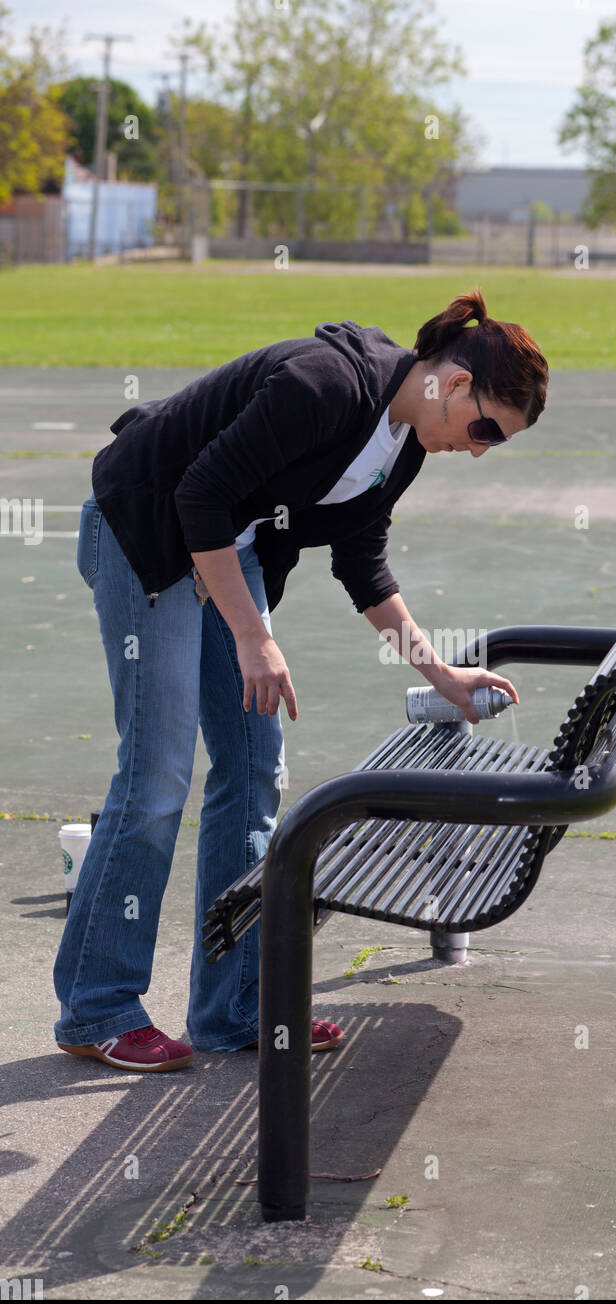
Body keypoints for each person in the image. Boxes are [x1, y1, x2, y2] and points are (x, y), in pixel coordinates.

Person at [53, 285, 549, 1072]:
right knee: (157, 772)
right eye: (486, 427)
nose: (481, 448)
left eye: (499, 442)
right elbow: (199, 494)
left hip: (226, 553)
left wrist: (439, 670)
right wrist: (253, 637)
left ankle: (233, 1008)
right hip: (148, 535)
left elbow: (362, 560)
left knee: (255, 768)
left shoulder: (406, 442)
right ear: (454, 383)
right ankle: (98, 1006)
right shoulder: (324, 385)